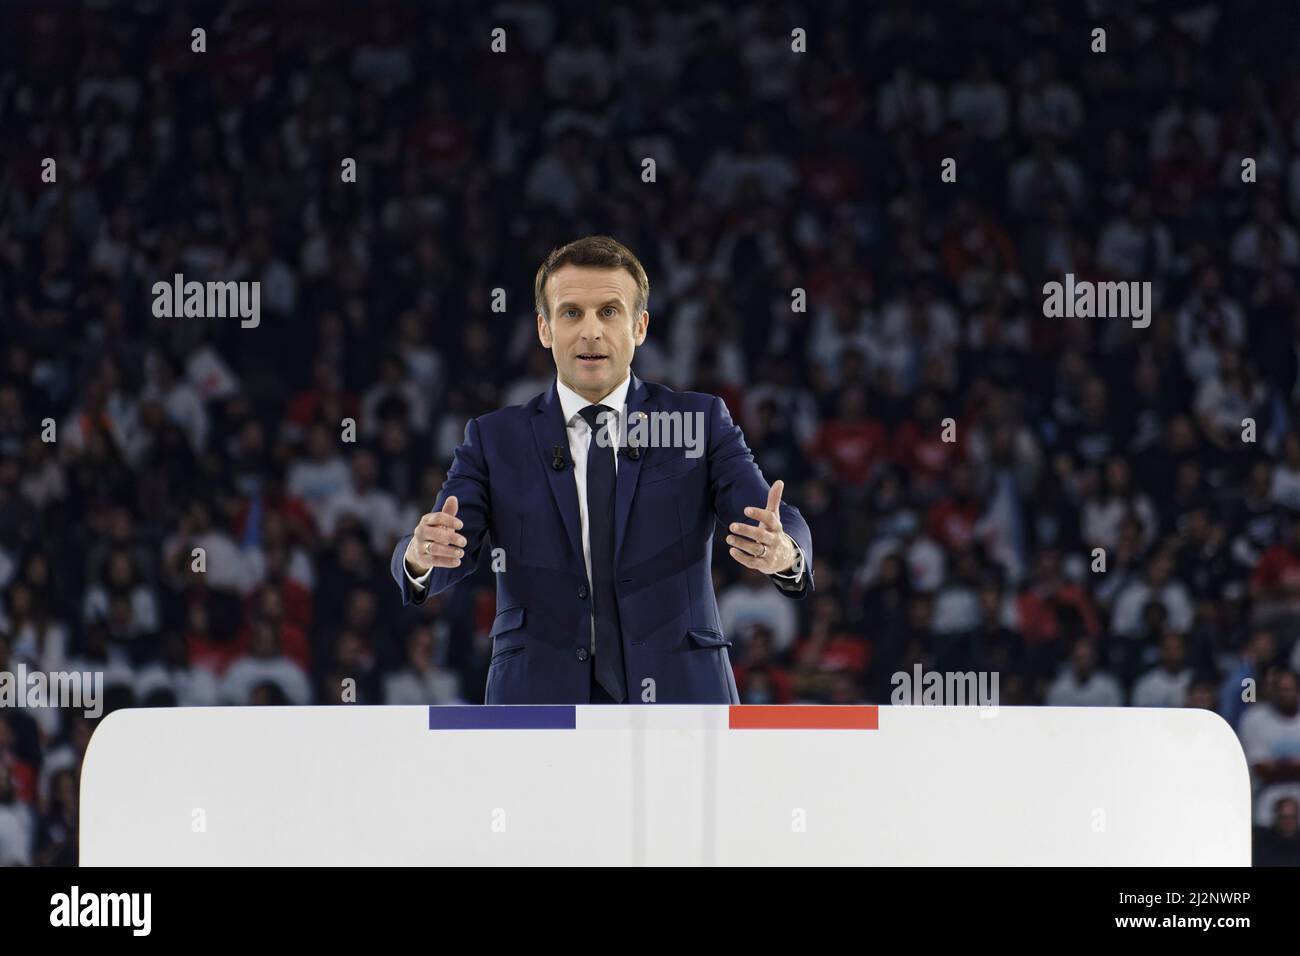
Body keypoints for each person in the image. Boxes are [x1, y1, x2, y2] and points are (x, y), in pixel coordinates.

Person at [391, 236, 813, 703]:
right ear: (544, 329)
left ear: (640, 327)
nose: (590, 331)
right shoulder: (495, 439)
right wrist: (420, 557)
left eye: (609, 311)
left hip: (679, 694)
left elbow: (767, 516)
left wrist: (785, 552)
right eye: (571, 312)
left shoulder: (698, 422)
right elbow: (447, 543)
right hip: (538, 699)